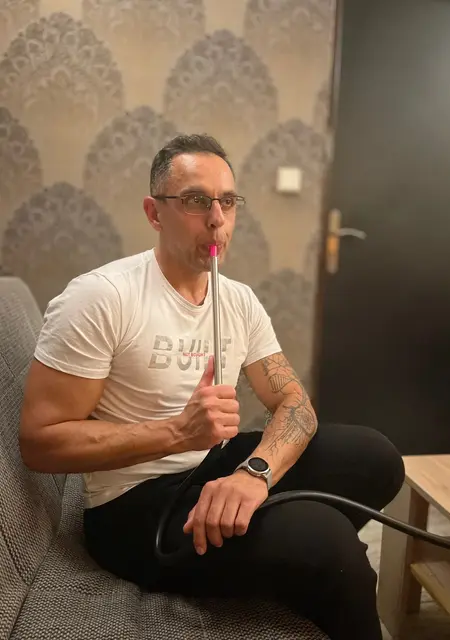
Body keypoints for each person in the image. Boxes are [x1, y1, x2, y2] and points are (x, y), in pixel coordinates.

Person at [19, 133, 405, 640]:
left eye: (227, 201)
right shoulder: (100, 297)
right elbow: (40, 443)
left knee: (376, 457)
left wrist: (254, 474)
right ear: (155, 213)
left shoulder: (238, 300)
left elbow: (294, 403)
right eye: (196, 201)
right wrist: (178, 433)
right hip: (132, 506)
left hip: (213, 468)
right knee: (329, 542)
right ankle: (301, 552)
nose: (217, 218)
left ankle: (275, 551)